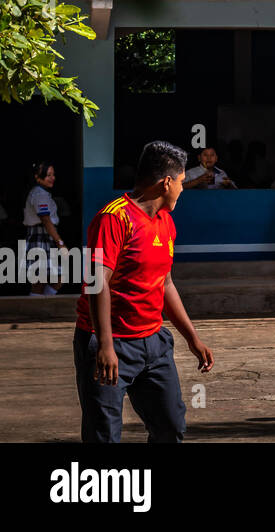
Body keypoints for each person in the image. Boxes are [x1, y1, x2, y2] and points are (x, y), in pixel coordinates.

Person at [74, 140, 214, 442]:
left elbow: (165, 284)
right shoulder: (114, 218)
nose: (182, 188)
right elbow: (97, 283)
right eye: (180, 182)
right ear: (165, 183)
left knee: (171, 427)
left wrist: (193, 338)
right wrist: (106, 346)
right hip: (110, 344)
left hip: (154, 344)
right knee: (104, 435)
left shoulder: (166, 222)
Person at [24, 161, 65, 296]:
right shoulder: (39, 194)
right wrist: (60, 243)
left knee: (56, 277)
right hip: (40, 237)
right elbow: (46, 220)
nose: (52, 178)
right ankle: (34, 311)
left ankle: (42, 307)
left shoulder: (42, 193)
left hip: (46, 236)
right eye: (48, 175)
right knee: (40, 279)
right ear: (37, 177)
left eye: (53, 175)